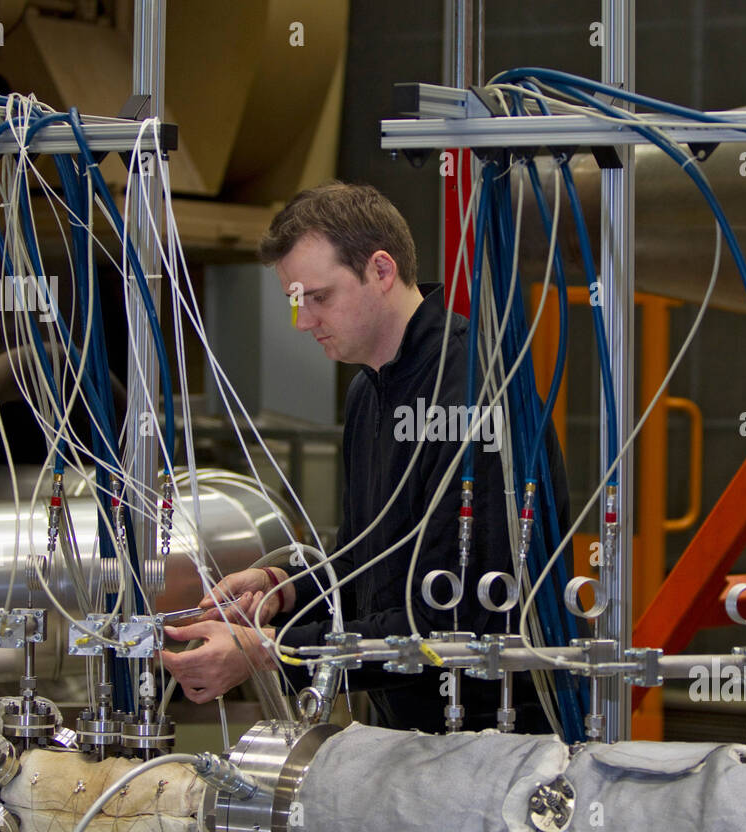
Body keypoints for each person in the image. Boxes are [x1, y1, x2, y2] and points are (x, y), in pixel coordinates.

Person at [161, 181, 569, 733]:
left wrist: (268, 649)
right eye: (294, 302)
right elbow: (363, 565)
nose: (303, 322)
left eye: (319, 298)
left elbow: (453, 618)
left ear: (380, 270)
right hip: (405, 725)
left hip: (492, 736)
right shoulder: (369, 391)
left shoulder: (475, 392)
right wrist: (281, 590)